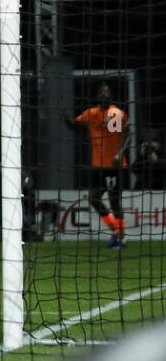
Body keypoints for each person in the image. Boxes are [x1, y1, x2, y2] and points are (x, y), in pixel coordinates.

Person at [62, 83, 130, 248]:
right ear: (97, 96)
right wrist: (66, 119)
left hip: (114, 166)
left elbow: (126, 136)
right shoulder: (91, 113)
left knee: (114, 201)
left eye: (106, 92)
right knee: (93, 199)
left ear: (111, 96)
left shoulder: (114, 113)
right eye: (101, 92)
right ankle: (116, 231)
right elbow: (74, 125)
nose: (104, 95)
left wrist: (120, 152)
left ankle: (120, 238)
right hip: (97, 166)